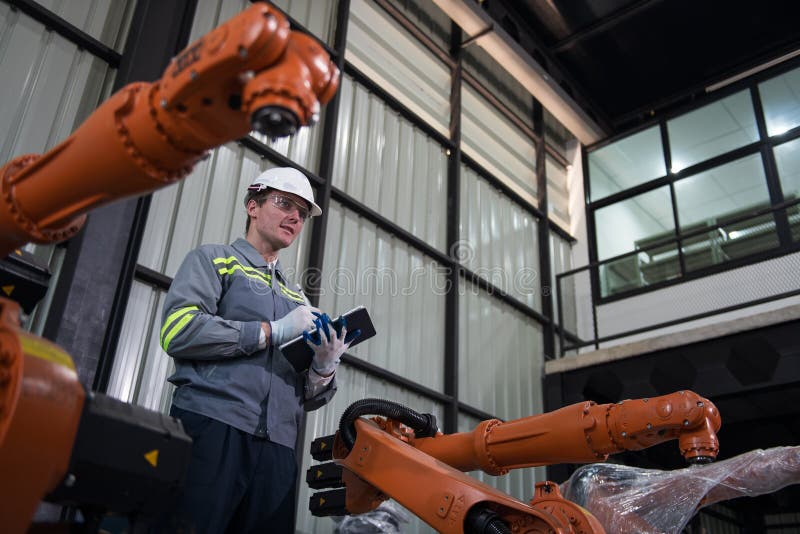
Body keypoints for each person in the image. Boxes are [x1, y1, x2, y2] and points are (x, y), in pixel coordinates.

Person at [159, 167, 358, 533]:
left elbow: (307, 396)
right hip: (213, 428)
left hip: (279, 449)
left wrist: (323, 369)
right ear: (253, 206)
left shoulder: (297, 298)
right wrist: (272, 331)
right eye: (285, 204)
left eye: (301, 213)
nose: (295, 217)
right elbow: (178, 331)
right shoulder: (214, 261)